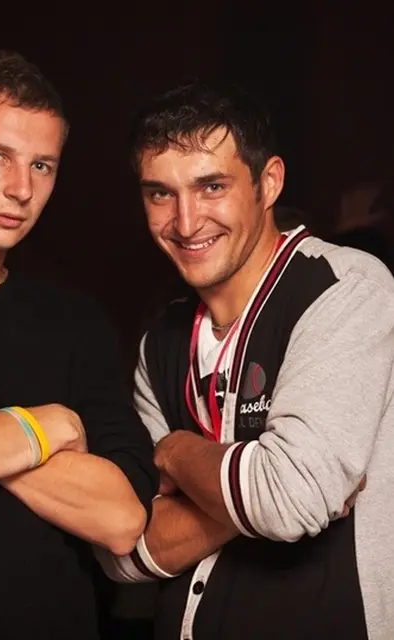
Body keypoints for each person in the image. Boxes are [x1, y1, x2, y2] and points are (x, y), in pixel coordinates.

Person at [96, 81, 394, 639]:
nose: (186, 222)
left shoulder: (345, 289)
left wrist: (175, 451)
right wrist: (265, 489)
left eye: (211, 186)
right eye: (160, 194)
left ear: (268, 182)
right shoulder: (159, 343)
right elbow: (123, 550)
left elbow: (288, 499)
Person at [0, 51, 158, 639]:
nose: (21, 188)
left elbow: (120, 518)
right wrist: (45, 430)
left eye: (42, 165)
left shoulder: (76, 325)